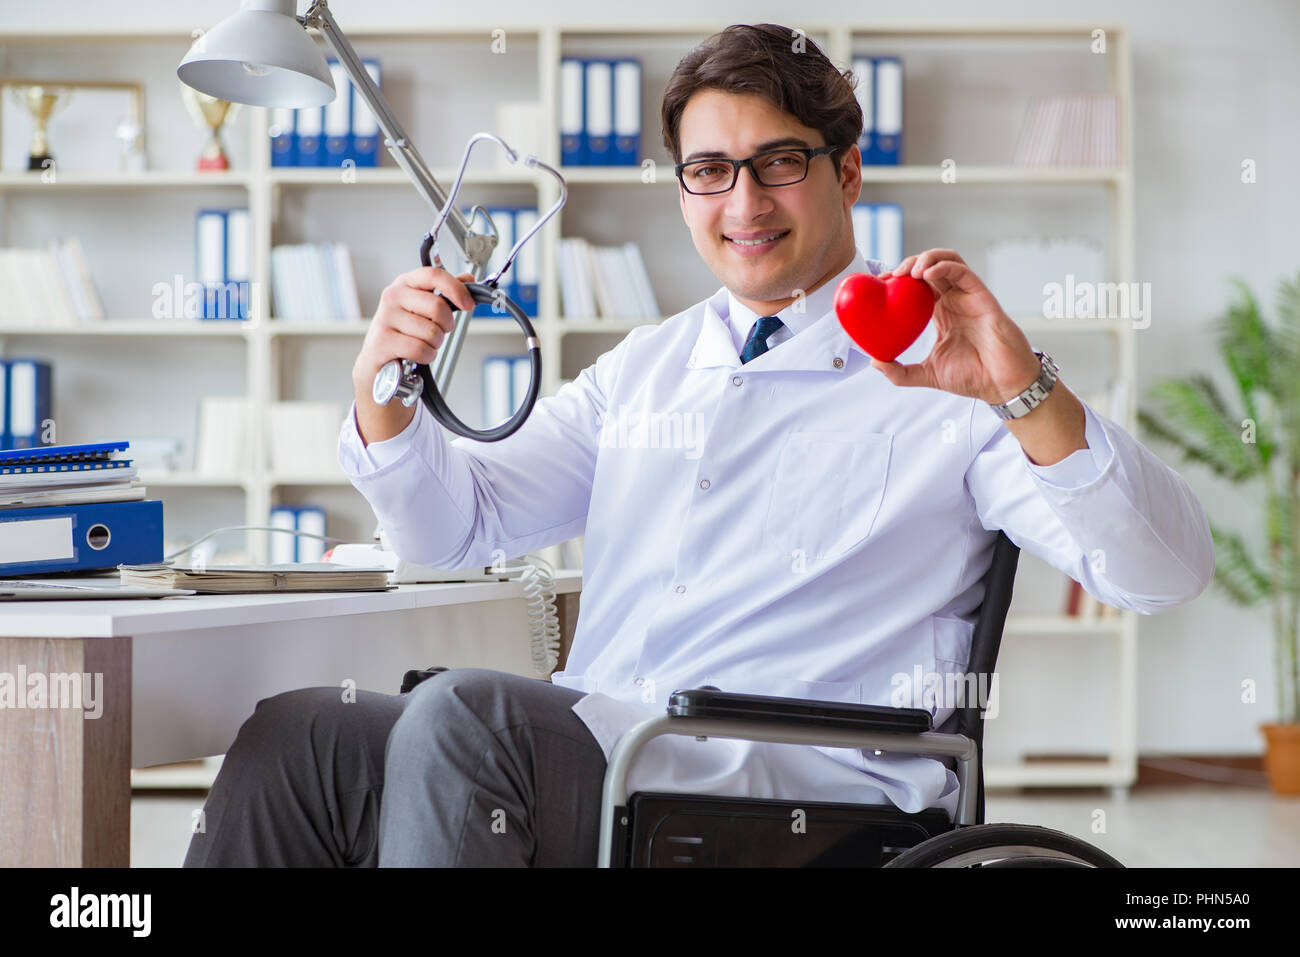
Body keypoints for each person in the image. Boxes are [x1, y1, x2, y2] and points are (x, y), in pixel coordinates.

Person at [184, 22, 1213, 868]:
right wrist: (386, 394)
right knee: (300, 735)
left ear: (847, 171)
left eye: (778, 164)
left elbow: (1164, 572)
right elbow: (458, 528)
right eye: (709, 172)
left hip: (800, 797)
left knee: (470, 719)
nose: (743, 204)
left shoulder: (954, 377)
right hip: (609, 753)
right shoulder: (648, 365)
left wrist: (1022, 391)